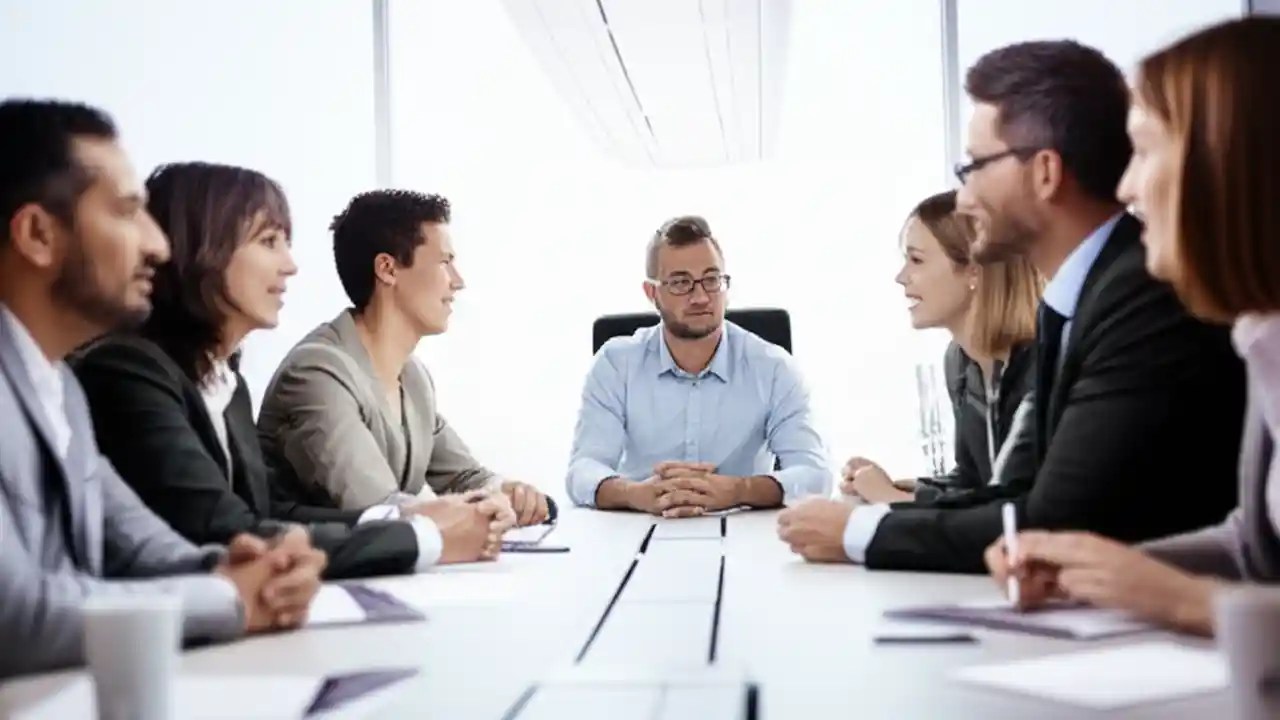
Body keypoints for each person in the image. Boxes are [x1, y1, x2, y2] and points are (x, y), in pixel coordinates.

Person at [778, 39, 1244, 570]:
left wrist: (863, 531)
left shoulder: (1140, 295)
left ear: (1045, 172)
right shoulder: (1073, 302)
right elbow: (1020, 493)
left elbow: (1055, 518)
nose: (963, 198)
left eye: (975, 165)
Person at [0, 100, 324, 678]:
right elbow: (12, 615)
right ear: (37, 235)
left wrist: (238, 567)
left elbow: (136, 544)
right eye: (127, 214)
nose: (159, 245)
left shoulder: (60, 388)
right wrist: (228, 597)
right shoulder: (116, 371)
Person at [72, 162, 511, 579]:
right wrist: (423, 535)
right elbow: (226, 530)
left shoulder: (225, 381)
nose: (291, 265)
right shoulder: (130, 371)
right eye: (268, 242)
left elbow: (265, 514)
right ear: (200, 249)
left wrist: (411, 516)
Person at [985, 17, 1280, 635]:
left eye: (1145, 150)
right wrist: (1104, 570)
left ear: (1229, 159)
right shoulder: (1260, 334)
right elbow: (1258, 548)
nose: (1127, 187)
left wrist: (1188, 603)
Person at [257, 190, 551, 527]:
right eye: (445, 262)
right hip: (314, 573)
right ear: (388, 269)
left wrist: (507, 492)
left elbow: (466, 477)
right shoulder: (317, 373)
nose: (458, 281)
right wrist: (484, 507)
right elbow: (380, 511)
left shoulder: (413, 377)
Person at [566, 215, 830, 517]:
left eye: (711, 279)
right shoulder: (615, 365)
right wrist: (636, 494)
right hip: (640, 525)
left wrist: (738, 490)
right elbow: (582, 470)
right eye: (680, 283)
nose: (701, 296)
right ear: (652, 293)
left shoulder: (773, 368)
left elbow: (815, 475)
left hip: (742, 532)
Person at [840, 189, 1039, 506]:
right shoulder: (960, 362)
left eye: (916, 260)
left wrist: (891, 499)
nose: (901, 277)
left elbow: (1017, 507)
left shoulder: (1042, 370)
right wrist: (909, 488)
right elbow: (973, 480)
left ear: (974, 271)